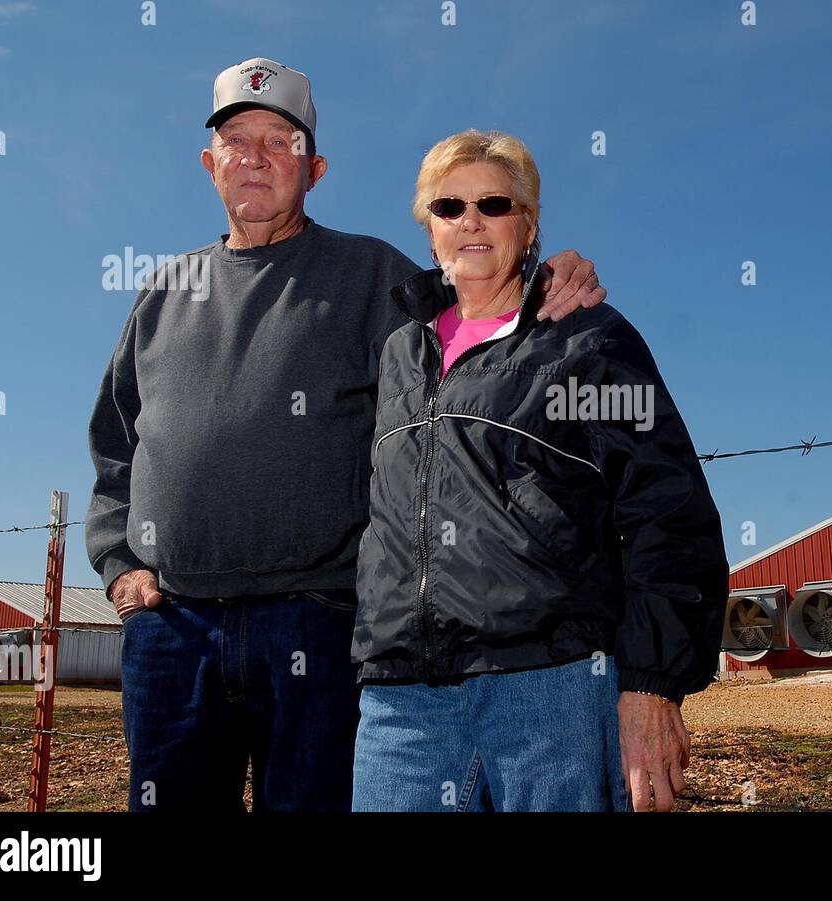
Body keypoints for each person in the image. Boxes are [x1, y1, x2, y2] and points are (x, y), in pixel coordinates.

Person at [85, 58, 606, 812]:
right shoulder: (164, 293)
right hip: (174, 626)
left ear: (315, 168)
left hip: (320, 621)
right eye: (237, 138)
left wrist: (549, 274)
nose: (255, 156)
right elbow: (115, 439)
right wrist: (117, 562)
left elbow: (481, 296)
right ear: (210, 164)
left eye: (280, 141)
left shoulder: (374, 275)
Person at [351, 129, 728, 812]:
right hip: (401, 697)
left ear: (528, 226)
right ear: (427, 226)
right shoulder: (398, 354)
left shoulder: (587, 337)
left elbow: (668, 508)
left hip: (551, 687)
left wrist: (652, 681)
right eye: (449, 206)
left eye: (495, 204)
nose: (471, 220)